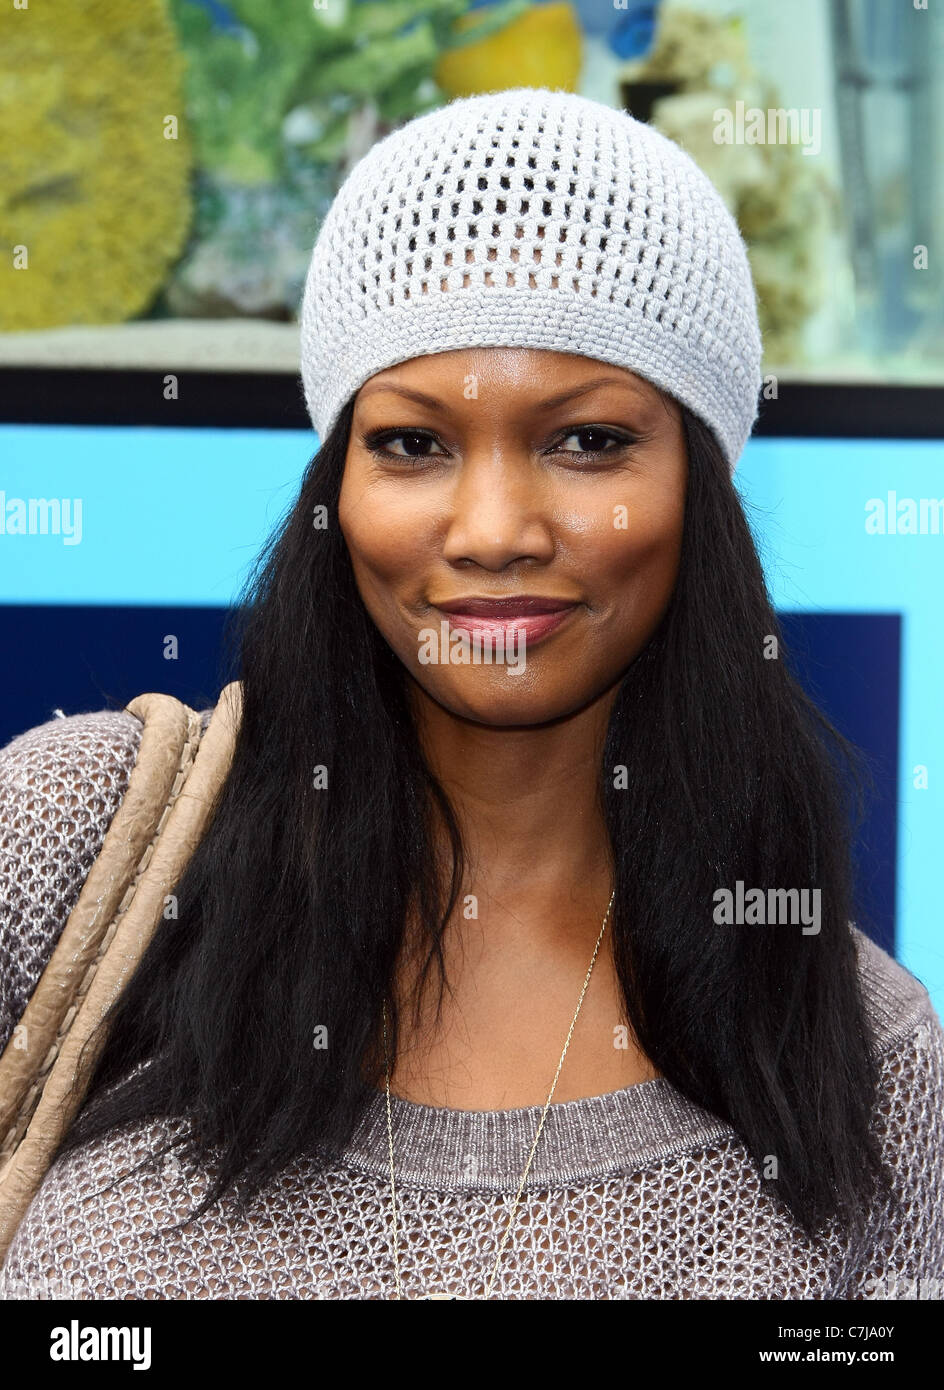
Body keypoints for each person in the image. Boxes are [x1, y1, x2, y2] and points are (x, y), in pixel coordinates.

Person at [1, 87, 942, 1301]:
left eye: (585, 441)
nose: (492, 531)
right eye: (411, 443)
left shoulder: (865, 1062)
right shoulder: (76, 842)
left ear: (697, 483)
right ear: (333, 479)